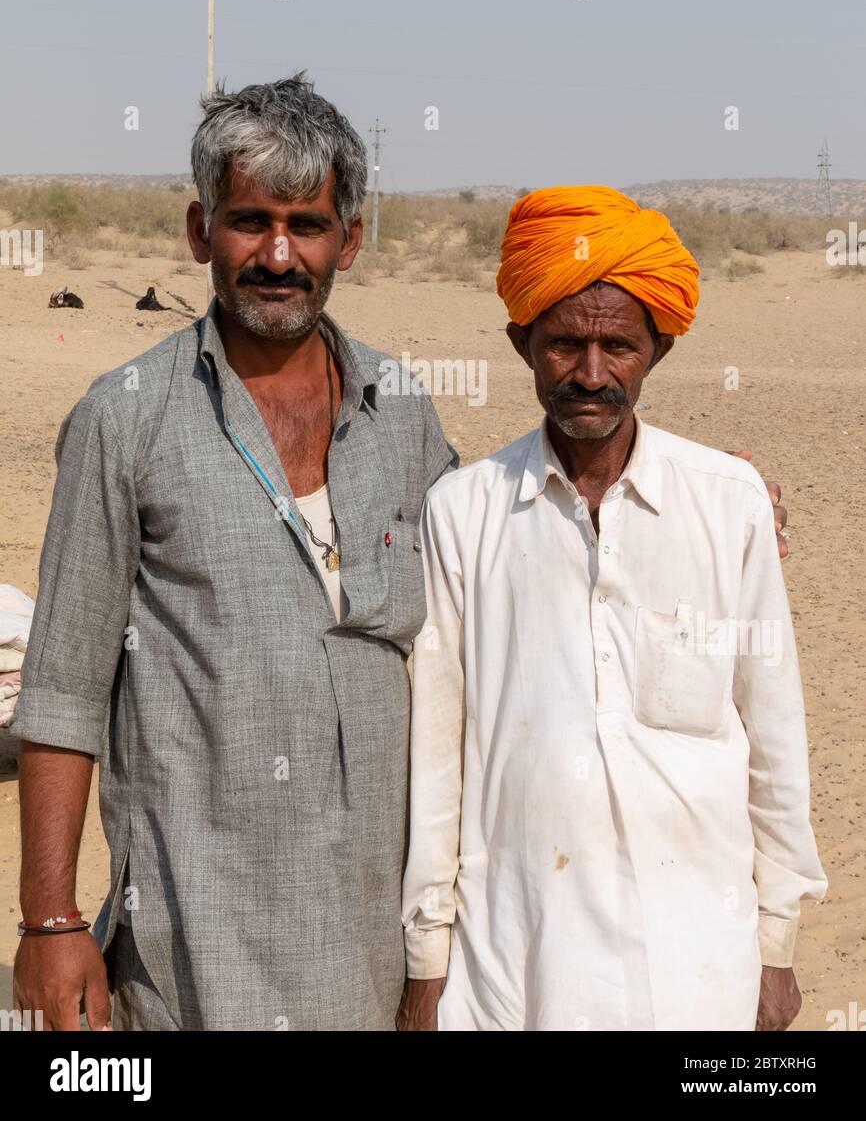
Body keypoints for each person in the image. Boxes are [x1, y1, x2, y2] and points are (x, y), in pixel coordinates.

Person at [12, 74, 455, 1031]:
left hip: (377, 934)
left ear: (352, 238)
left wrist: (720, 496)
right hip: (193, 937)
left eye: (309, 222)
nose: (279, 254)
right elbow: (63, 686)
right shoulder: (123, 419)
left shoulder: (405, 412)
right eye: (250, 221)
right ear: (199, 231)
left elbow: (495, 561)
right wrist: (49, 919)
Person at [400, 185, 826, 1032]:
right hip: (516, 956)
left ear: (657, 350)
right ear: (522, 342)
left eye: (618, 346)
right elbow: (437, 756)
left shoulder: (728, 501)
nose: (591, 374)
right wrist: (427, 963)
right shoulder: (462, 511)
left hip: (701, 959)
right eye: (564, 343)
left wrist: (776, 945)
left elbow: (773, 735)